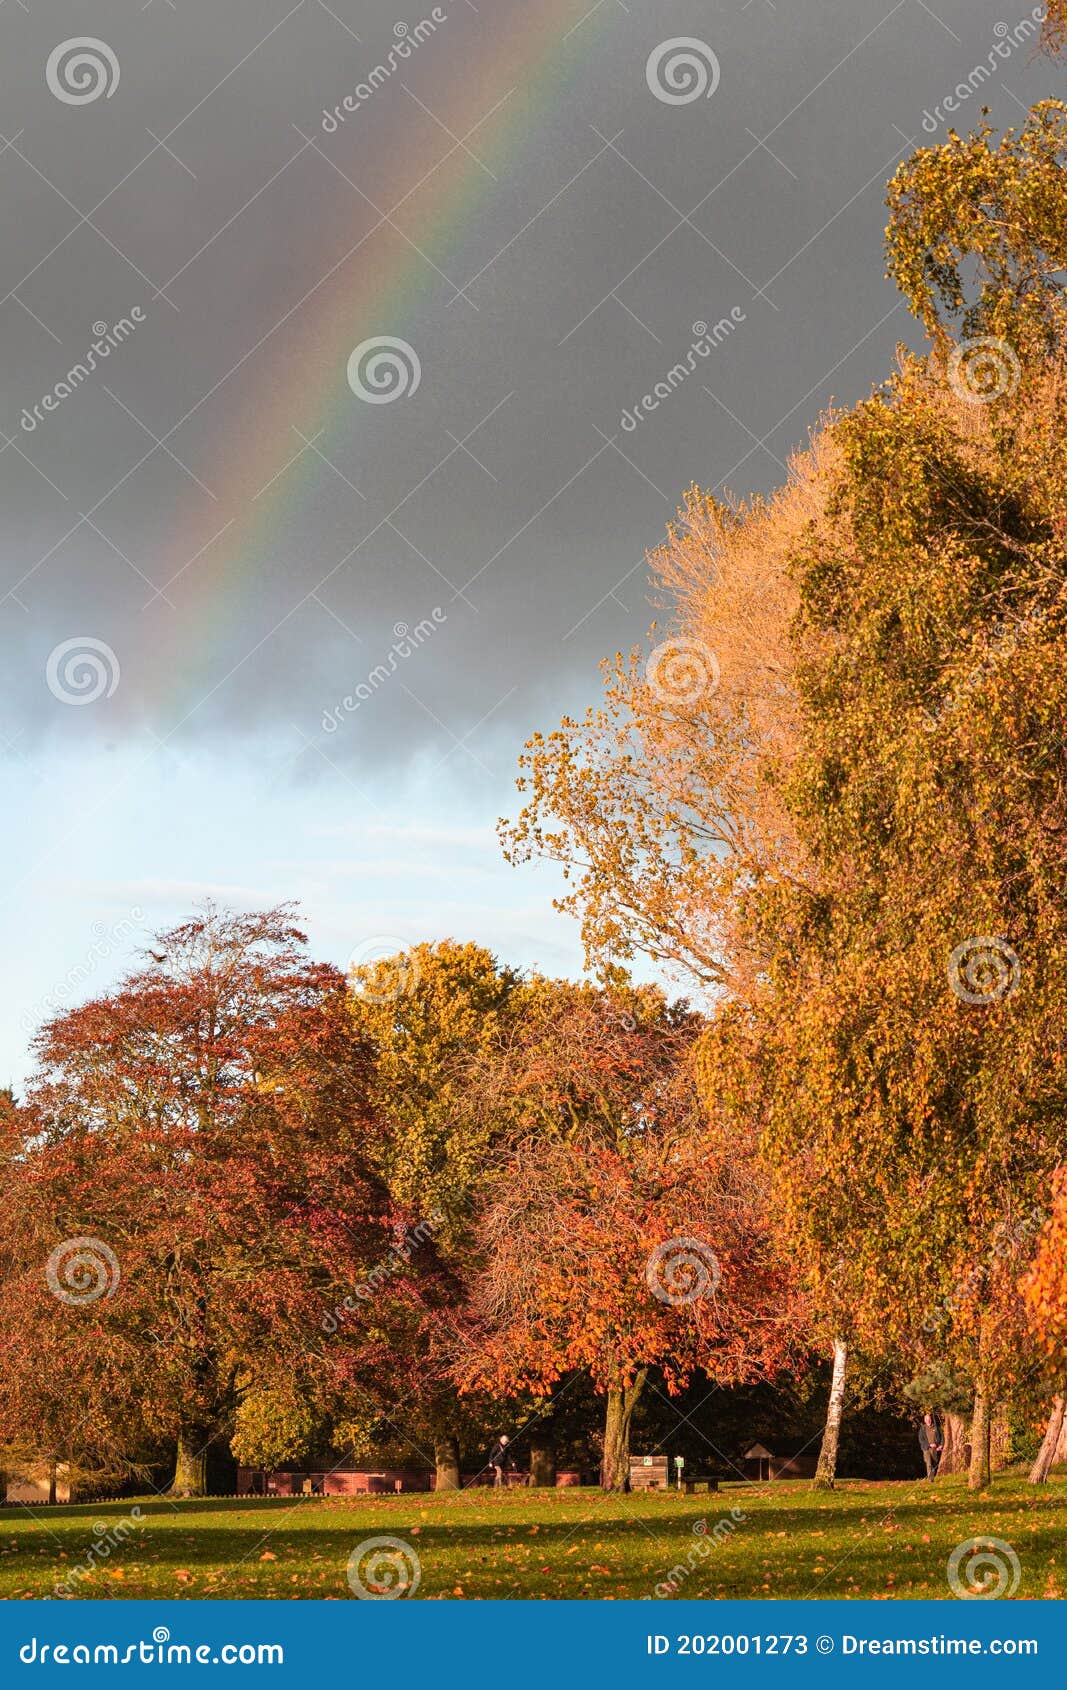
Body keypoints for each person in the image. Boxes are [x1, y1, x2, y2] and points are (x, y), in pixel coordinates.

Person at [918, 1411, 944, 1480]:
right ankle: (930, 1478)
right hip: (926, 1449)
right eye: (926, 1419)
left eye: (929, 1419)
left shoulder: (936, 1427)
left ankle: (933, 1475)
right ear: (924, 1420)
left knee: (934, 1463)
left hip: (935, 1449)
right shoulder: (922, 1429)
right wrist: (929, 1445)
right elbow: (921, 1440)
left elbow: (942, 1436)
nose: (928, 1420)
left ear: (931, 1419)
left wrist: (941, 1445)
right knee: (928, 1463)